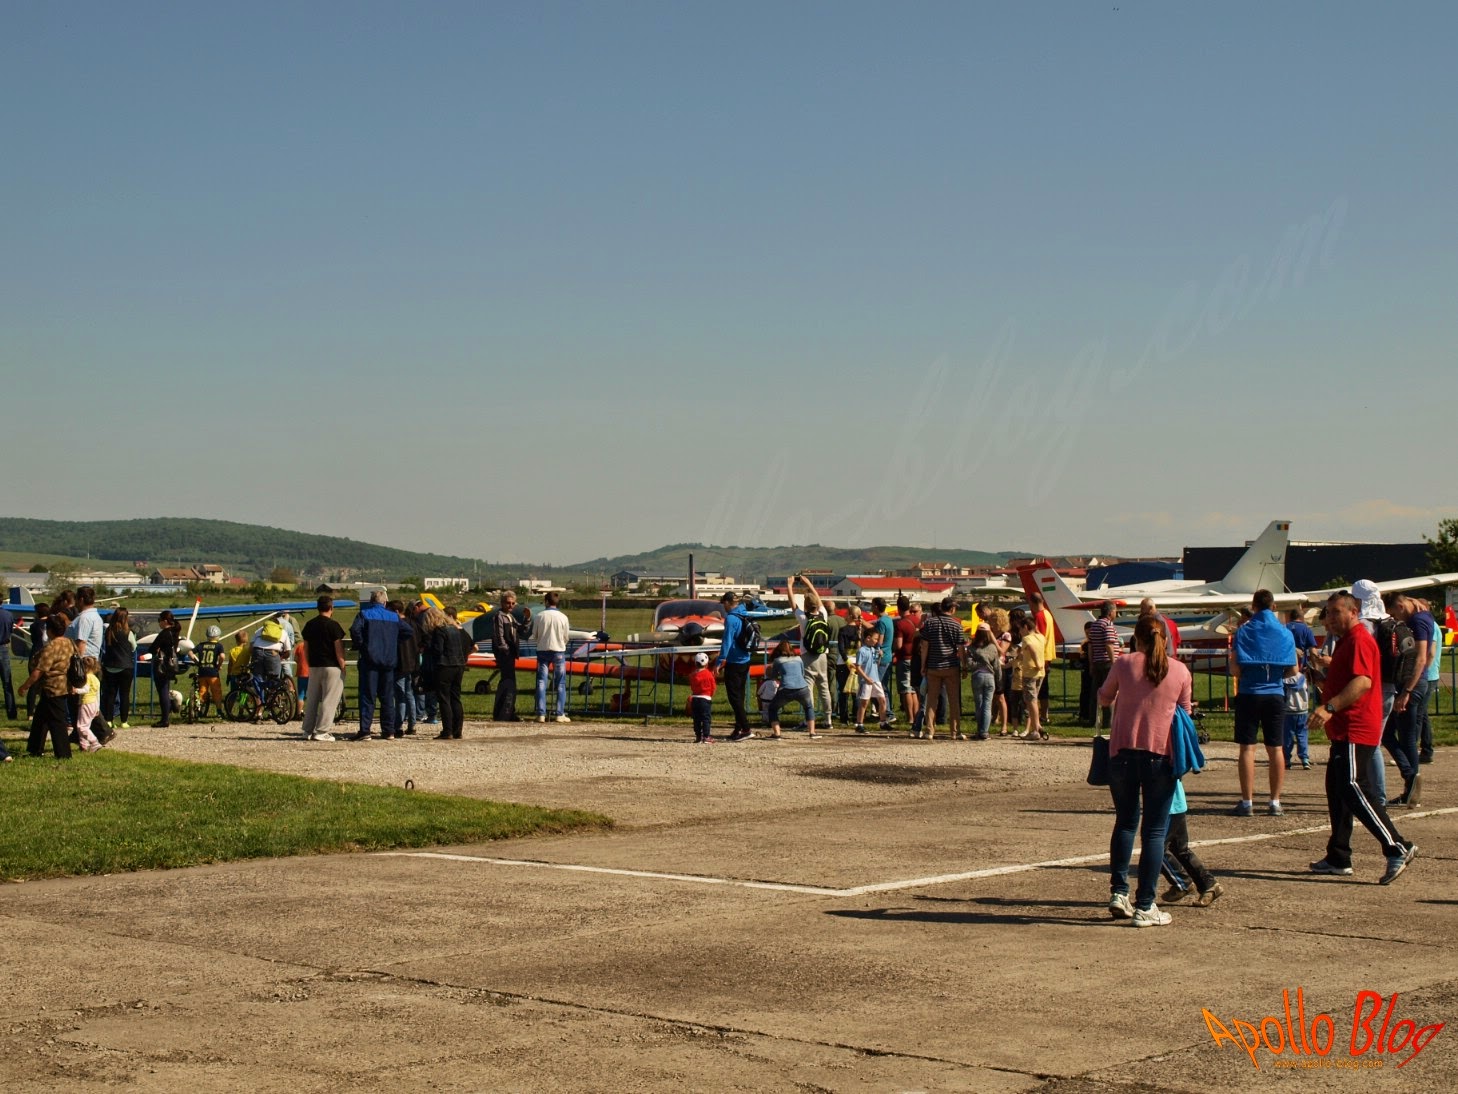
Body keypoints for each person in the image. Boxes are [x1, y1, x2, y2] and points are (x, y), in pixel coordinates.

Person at [1307, 591, 1416, 885]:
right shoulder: (1345, 643)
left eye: (1335, 612)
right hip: (1344, 729)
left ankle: (1397, 846)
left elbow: (1363, 682)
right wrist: (1319, 679)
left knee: (1353, 787)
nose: (1329, 619)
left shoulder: (1358, 640)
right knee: (1337, 789)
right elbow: (1345, 681)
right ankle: (1338, 856)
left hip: (1356, 728)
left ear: (1353, 612)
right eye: (1327, 613)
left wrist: (1329, 707)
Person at [1098, 614, 1193, 927]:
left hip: (1122, 753)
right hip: (1159, 756)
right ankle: (1146, 904)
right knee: (1154, 830)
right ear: (1164, 638)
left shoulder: (1124, 664)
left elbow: (1104, 697)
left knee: (1125, 823)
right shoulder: (1179, 670)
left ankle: (1118, 891)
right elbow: (1185, 711)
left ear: (1135, 638)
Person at [1230, 590, 1297, 817]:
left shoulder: (1243, 631)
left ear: (1254, 605)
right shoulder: (1285, 633)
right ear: (1274, 606)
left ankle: (1247, 802)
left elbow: (1235, 669)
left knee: (1248, 748)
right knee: (1276, 748)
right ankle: (1275, 801)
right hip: (1275, 693)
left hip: (1249, 692)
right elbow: (1293, 669)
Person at [1385, 592, 1435, 806]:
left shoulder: (1417, 620)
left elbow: (1422, 656)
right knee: (1405, 735)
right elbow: (1430, 653)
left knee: (1392, 734)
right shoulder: (1424, 616)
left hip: (1410, 685)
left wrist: (1407, 690)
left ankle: (1411, 777)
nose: (1396, 618)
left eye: (1394, 613)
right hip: (1417, 682)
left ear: (1399, 605)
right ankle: (1410, 786)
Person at [1160, 776, 1224, 907]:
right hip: (1176, 803)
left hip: (1168, 805)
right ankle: (1209, 884)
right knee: (1179, 849)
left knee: (1156, 850)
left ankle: (1182, 883)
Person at [19, 614, 75, 758]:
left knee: (57, 722)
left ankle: (63, 754)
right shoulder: (69, 642)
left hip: (53, 687)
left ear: (50, 630)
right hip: (64, 685)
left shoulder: (51, 647)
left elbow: (39, 670)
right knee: (40, 719)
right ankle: (35, 749)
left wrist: (25, 686)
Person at [349, 591, 401, 741]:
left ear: (371, 601)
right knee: (387, 697)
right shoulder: (394, 616)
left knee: (368, 696)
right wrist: (394, 642)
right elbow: (407, 631)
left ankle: (365, 731)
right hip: (389, 661)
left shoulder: (364, 614)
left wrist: (361, 645)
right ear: (385, 602)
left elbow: (355, 630)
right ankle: (389, 730)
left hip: (370, 661)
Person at [299, 595, 347, 742]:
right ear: (331, 608)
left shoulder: (309, 625)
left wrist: (308, 663)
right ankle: (322, 731)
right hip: (331, 666)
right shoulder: (333, 625)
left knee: (312, 698)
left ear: (318, 607)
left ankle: (307, 730)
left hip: (314, 665)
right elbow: (338, 648)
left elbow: (306, 648)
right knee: (329, 699)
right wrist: (343, 665)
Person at [790, 575, 835, 728]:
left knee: (808, 687)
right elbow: (818, 599)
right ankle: (828, 719)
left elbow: (793, 605)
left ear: (806, 605)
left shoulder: (804, 618)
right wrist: (808, 583)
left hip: (807, 655)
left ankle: (809, 719)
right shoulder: (824, 614)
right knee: (824, 687)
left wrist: (790, 586)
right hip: (823, 653)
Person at [919, 597, 966, 741]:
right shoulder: (956, 625)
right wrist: (964, 666)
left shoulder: (929, 623)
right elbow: (961, 648)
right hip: (951, 666)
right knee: (953, 700)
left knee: (932, 700)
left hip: (933, 666)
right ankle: (955, 731)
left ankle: (929, 731)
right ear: (951, 609)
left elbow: (925, 646)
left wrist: (923, 665)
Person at [713, 592, 755, 741]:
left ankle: (745, 728)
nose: (723, 606)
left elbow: (727, 641)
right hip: (746, 659)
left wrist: (719, 662)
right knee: (740, 695)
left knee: (734, 697)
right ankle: (738, 728)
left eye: (724, 603)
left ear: (729, 602)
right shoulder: (744, 613)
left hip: (734, 661)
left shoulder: (731, 618)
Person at [428, 607, 475, 740]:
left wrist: (429, 649)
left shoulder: (439, 630)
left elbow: (438, 650)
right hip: (458, 665)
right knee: (456, 698)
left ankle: (447, 731)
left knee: (444, 698)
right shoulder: (455, 629)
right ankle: (457, 730)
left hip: (445, 666)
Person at [531, 591, 572, 724]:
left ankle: (541, 714)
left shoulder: (539, 616)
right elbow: (566, 637)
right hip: (558, 651)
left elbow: (535, 635)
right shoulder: (563, 617)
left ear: (546, 602)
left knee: (541, 682)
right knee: (560, 682)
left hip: (542, 651)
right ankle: (560, 714)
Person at [765, 640, 817, 738]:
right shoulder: (799, 658)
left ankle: (777, 733)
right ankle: (812, 732)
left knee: (772, 708)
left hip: (786, 689)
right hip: (802, 688)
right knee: (808, 707)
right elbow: (802, 673)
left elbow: (774, 676)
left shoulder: (778, 660)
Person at [100, 607, 136, 729]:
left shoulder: (108, 631)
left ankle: (109, 720)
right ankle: (124, 721)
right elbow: (134, 647)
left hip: (110, 666)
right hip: (125, 666)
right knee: (124, 694)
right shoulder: (128, 632)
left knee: (110, 694)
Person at [491, 591, 525, 722]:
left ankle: (509, 711)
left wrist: (527, 619)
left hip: (511, 654)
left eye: (512, 603)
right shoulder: (499, 616)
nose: (510, 605)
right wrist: (505, 650)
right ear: (502, 603)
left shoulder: (510, 616)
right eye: (508, 603)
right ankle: (504, 712)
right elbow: (498, 635)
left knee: (511, 683)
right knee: (508, 682)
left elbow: (521, 630)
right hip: (505, 654)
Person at [1088, 602, 1121, 729]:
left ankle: (1092, 719)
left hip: (1097, 662)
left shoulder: (1095, 624)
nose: (1116, 613)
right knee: (1109, 693)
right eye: (1115, 611)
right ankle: (1108, 721)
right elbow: (1109, 644)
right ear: (1110, 612)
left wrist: (1091, 663)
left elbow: (1090, 646)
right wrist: (1114, 663)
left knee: (1095, 693)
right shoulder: (1108, 625)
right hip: (1107, 663)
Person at [1016, 616, 1049, 740]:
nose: (1019, 632)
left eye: (1020, 629)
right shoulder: (1041, 637)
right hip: (1040, 673)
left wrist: (1036, 662)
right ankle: (1038, 725)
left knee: (1031, 701)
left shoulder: (1026, 639)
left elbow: (1032, 650)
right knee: (1033, 700)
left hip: (1030, 672)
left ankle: (1035, 729)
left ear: (1025, 627)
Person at [391, 600, 420, 736]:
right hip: (413, 663)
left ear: (396, 612)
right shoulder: (414, 623)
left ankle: (398, 726)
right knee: (409, 695)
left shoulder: (396, 625)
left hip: (400, 663)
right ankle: (412, 724)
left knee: (400, 696)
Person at [892, 594, 921, 730]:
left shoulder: (901, 624)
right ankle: (916, 716)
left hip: (905, 657)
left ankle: (910, 718)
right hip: (916, 657)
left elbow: (898, 644)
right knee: (914, 689)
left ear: (898, 608)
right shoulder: (917, 620)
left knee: (906, 689)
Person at [852, 627, 888, 732]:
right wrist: (866, 678)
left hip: (875, 678)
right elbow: (858, 667)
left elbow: (876, 664)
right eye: (875, 639)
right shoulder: (862, 651)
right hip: (866, 680)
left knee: (882, 699)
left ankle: (883, 722)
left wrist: (880, 656)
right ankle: (859, 724)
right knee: (864, 702)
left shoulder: (873, 650)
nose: (877, 641)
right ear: (868, 638)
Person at [149, 611, 181, 728]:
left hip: (162, 665)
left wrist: (157, 649)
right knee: (166, 689)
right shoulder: (175, 633)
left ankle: (164, 719)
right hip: (171, 665)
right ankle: (168, 713)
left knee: (162, 691)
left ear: (165, 621)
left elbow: (152, 649)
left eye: (160, 620)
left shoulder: (164, 633)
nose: (159, 623)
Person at [73, 656, 112, 750]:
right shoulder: (96, 679)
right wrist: (98, 708)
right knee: (86, 726)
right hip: (94, 703)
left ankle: (94, 742)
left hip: (86, 703)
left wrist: (75, 690)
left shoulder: (87, 677)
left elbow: (85, 690)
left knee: (81, 727)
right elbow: (97, 693)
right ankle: (84, 745)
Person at [834, 606, 862, 725]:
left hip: (843, 663)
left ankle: (844, 718)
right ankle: (857, 716)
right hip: (857, 662)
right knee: (856, 691)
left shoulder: (843, 630)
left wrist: (846, 661)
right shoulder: (859, 630)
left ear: (849, 615)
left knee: (843, 691)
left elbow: (841, 648)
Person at [193, 625, 226, 720]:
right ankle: (219, 711)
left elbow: (190, 653)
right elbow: (222, 656)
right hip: (213, 672)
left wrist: (197, 662)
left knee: (202, 691)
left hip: (202, 671)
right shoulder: (219, 646)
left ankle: (198, 710)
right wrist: (219, 665)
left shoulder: (201, 645)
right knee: (216, 692)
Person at [1282, 667, 1311, 771]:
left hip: (1288, 711)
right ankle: (1304, 758)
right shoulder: (1303, 678)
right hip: (1302, 710)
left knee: (1287, 736)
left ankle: (1286, 759)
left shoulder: (1283, 679)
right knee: (1302, 734)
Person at [66, 586, 104, 659]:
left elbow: (81, 643)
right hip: (90, 660)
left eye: (76, 599)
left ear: (81, 600)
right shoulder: (96, 616)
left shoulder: (84, 618)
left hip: (83, 662)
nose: (75, 602)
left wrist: (77, 665)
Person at [689, 651, 716, 743]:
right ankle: (706, 736)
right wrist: (710, 695)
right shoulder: (709, 674)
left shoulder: (692, 675)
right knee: (706, 718)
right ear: (706, 663)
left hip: (695, 698)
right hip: (705, 698)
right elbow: (713, 687)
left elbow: (692, 686)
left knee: (696, 718)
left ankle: (698, 736)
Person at [0, 602, 16, 721]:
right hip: (4, 648)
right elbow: (11, 630)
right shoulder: (8, 615)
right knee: (7, 683)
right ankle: (11, 712)